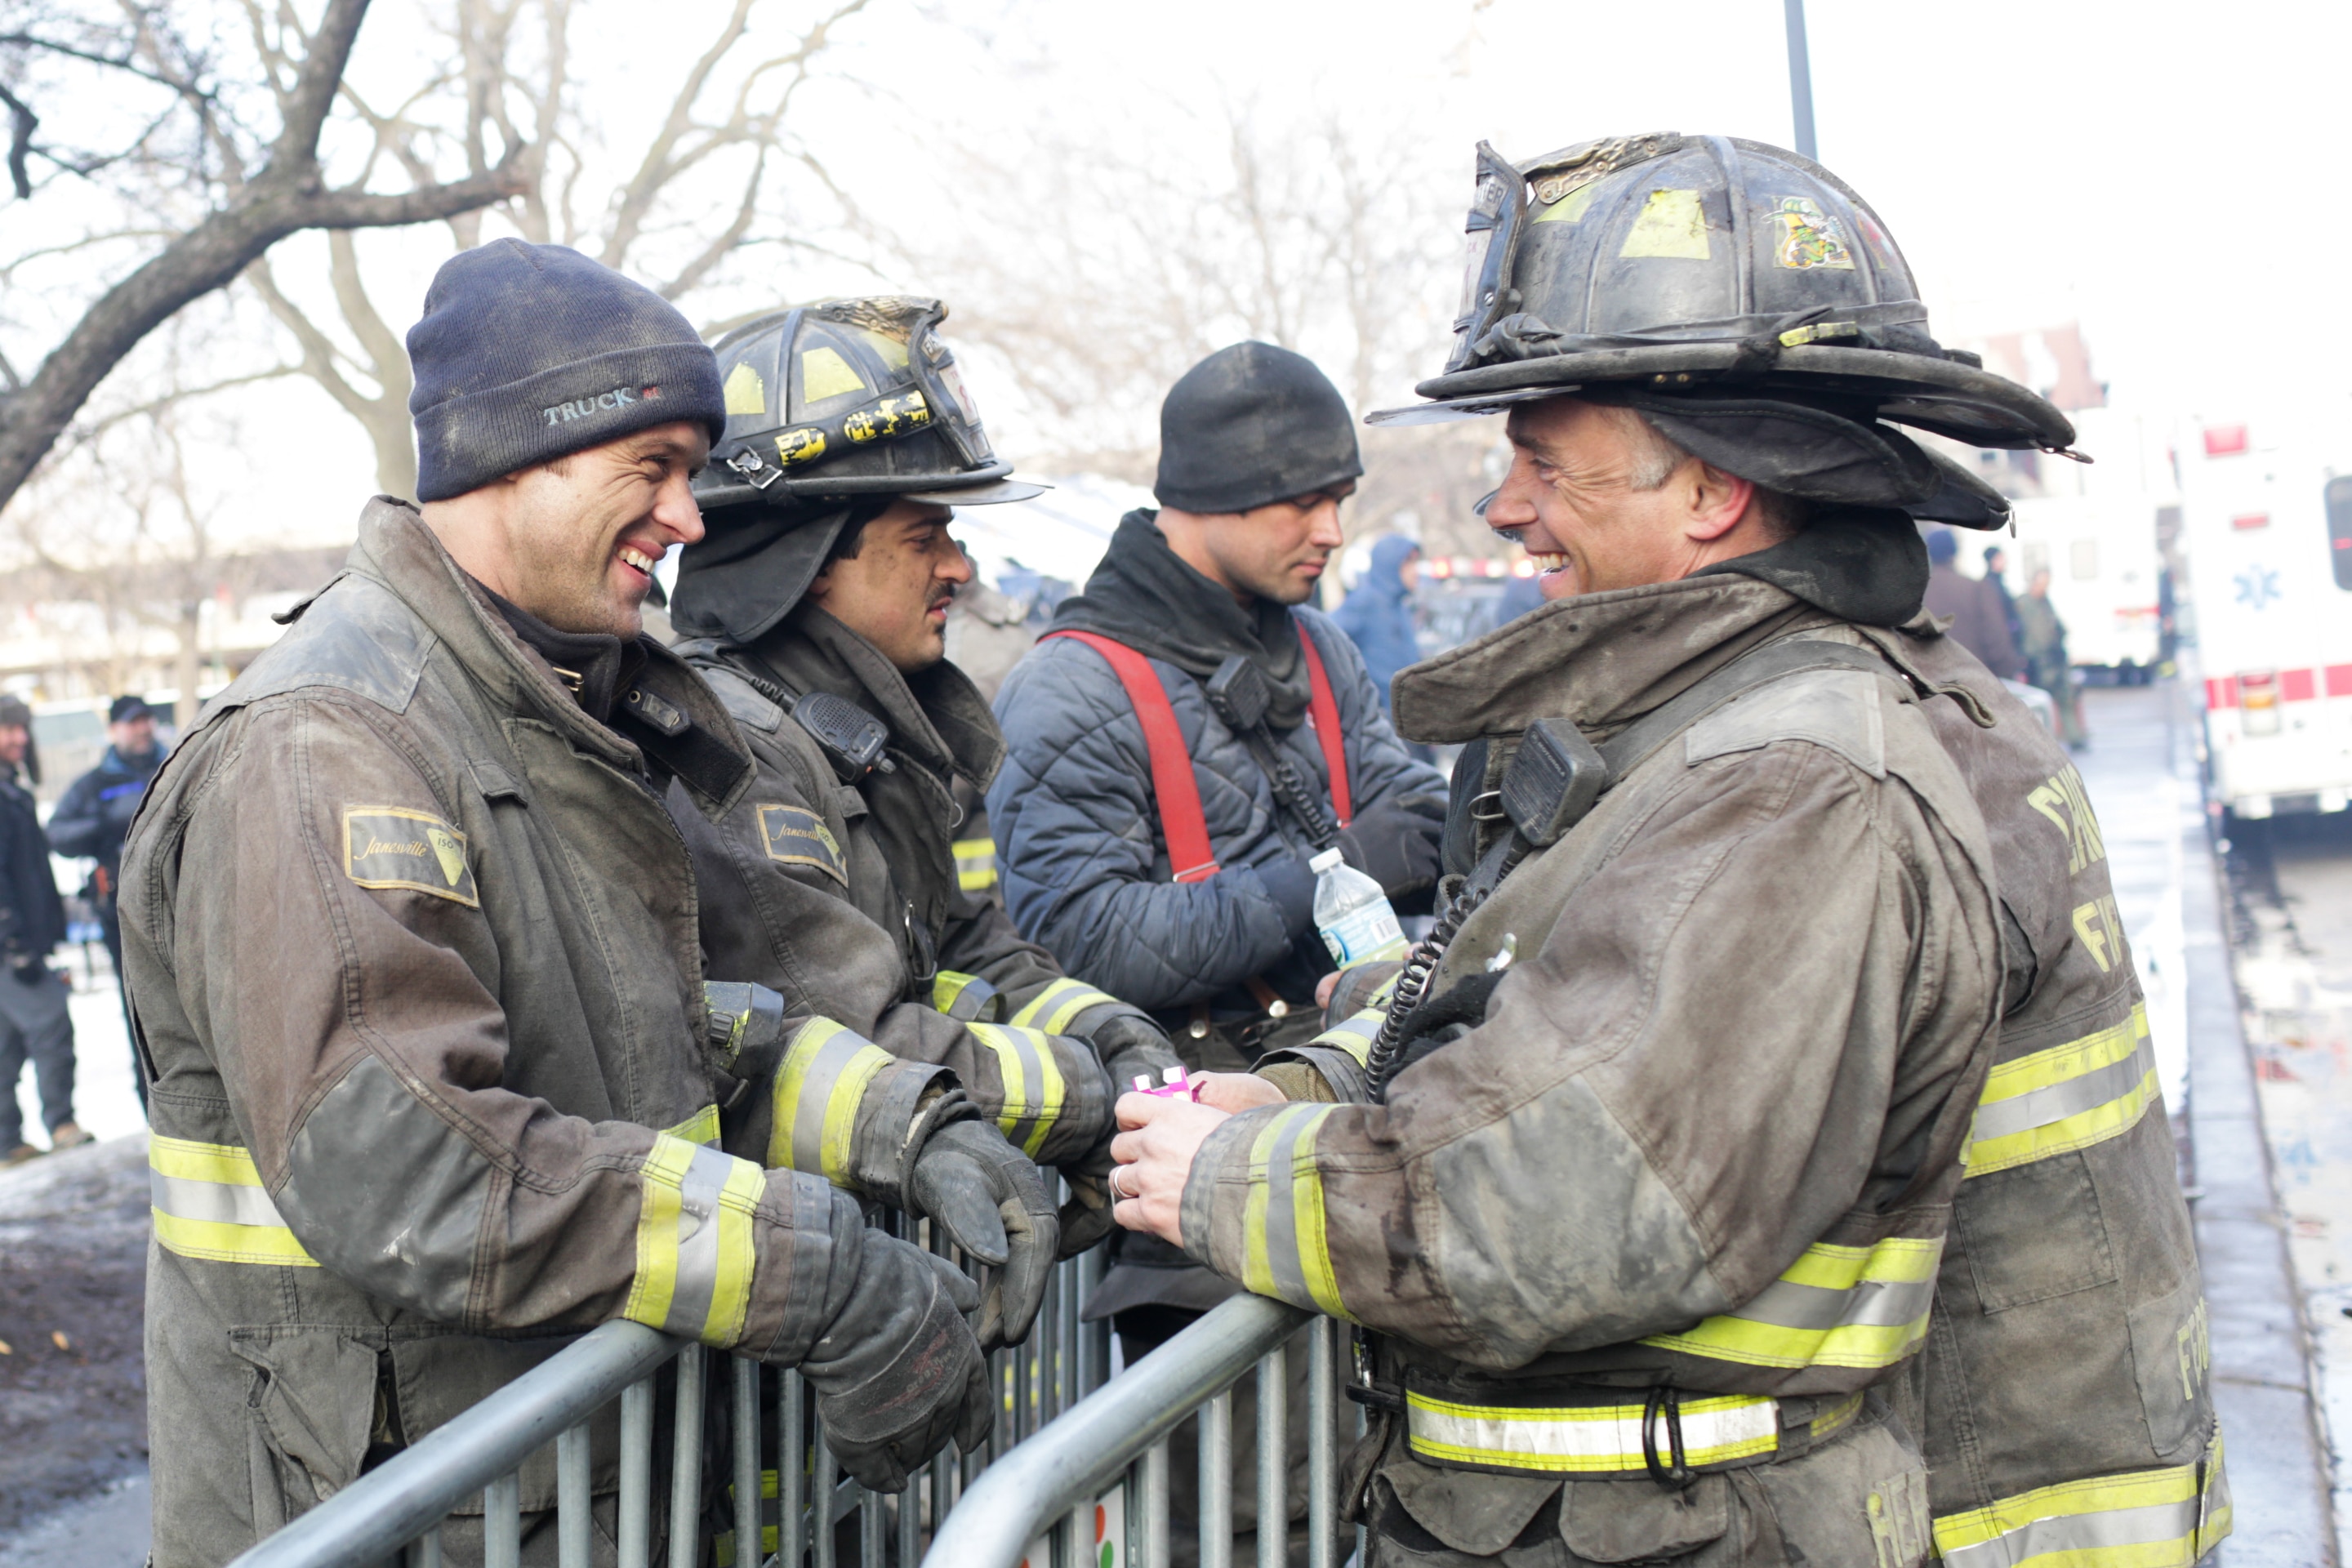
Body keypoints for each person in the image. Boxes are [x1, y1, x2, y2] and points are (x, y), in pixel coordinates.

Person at [1109, 133, 2091, 1566]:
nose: (1505, 506)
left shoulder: (1788, 784)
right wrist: (1304, 1086)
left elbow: (1577, 1200)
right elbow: (1540, 1008)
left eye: (1545, 462)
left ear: (1710, 493)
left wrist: (1230, 1178)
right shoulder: (1713, 725)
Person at [120, 243, 990, 1566]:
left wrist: (905, 1128)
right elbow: (412, 1167)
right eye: (654, 467)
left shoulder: (551, 709)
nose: (690, 518)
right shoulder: (328, 747)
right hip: (392, 1514)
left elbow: (648, 1045)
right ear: (514, 456)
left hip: (559, 1493)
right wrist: (810, 1269)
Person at [988, 341, 1448, 1558]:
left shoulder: (1320, 651)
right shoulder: (1072, 688)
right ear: (1214, 493)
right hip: (1193, 1193)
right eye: (1304, 499)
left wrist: (1373, 851)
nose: (1332, 530)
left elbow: (1413, 813)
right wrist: (1322, 875)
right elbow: (1087, 938)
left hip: (1347, 1142)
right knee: (1240, 1526)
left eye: (1341, 498)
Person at [664, 297, 1182, 1344]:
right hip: (782, 1331)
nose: (961, 566)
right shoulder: (736, 755)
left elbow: (969, 952)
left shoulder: (883, 737)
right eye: (924, 535)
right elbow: (851, 1027)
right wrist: (1095, 1099)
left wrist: (1115, 1037)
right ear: (808, 558)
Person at [47, 693, 166, 1107]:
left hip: (184, 907)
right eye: (133, 722)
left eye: (146, 720)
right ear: (114, 730)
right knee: (142, 1011)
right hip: (123, 917)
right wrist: (103, 824)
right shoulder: (95, 785)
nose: (143, 729)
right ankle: (152, 1103)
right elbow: (58, 834)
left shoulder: (175, 765)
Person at [0, 696, 82, 1165]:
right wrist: (13, 940)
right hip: (8, 945)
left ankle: (6, 1139)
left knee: (6, 1044)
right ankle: (61, 1123)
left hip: (17, 942)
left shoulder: (12, 788)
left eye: (22, 729)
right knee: (51, 1023)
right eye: (9, 729)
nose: (19, 738)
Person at [1330, 534, 1423, 710]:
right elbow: (1324, 635)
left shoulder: (1400, 606)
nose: (1415, 571)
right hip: (1380, 716)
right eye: (1408, 563)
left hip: (1406, 713)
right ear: (1390, 564)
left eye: (1416, 562)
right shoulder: (1365, 602)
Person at [1922, 528, 2025, 679]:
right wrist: (2006, 673)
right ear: (1954, 552)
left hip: (1929, 681)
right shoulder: (1976, 589)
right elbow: (1997, 639)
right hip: (1974, 680)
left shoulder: (1917, 594)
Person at [2019, 565, 2090, 746]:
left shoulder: (2045, 602)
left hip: (2054, 658)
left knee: (2066, 698)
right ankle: (2043, 741)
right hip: (2038, 661)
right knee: (2040, 704)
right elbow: (2030, 634)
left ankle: (2075, 737)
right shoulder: (2024, 603)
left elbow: (2054, 627)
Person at [1981, 543, 2025, 651]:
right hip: (2003, 639)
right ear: (1993, 560)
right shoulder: (1990, 585)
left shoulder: (1997, 583)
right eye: (2001, 558)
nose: (2005, 562)